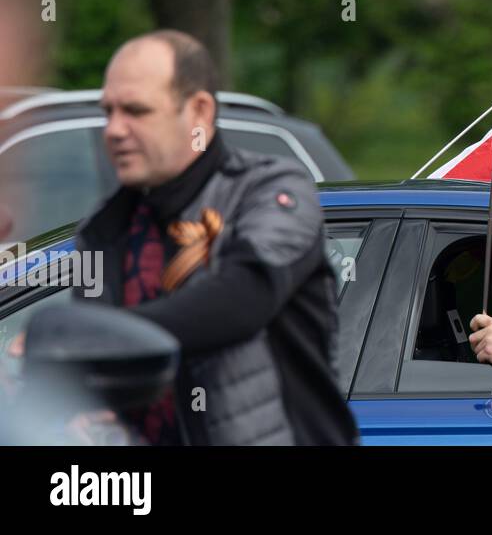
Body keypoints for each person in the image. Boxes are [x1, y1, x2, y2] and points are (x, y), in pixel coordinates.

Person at [71, 30, 358, 445]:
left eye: (135, 110)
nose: (114, 130)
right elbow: (91, 379)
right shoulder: (104, 229)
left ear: (199, 111)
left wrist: (96, 337)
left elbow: (242, 300)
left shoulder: (273, 190)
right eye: (108, 111)